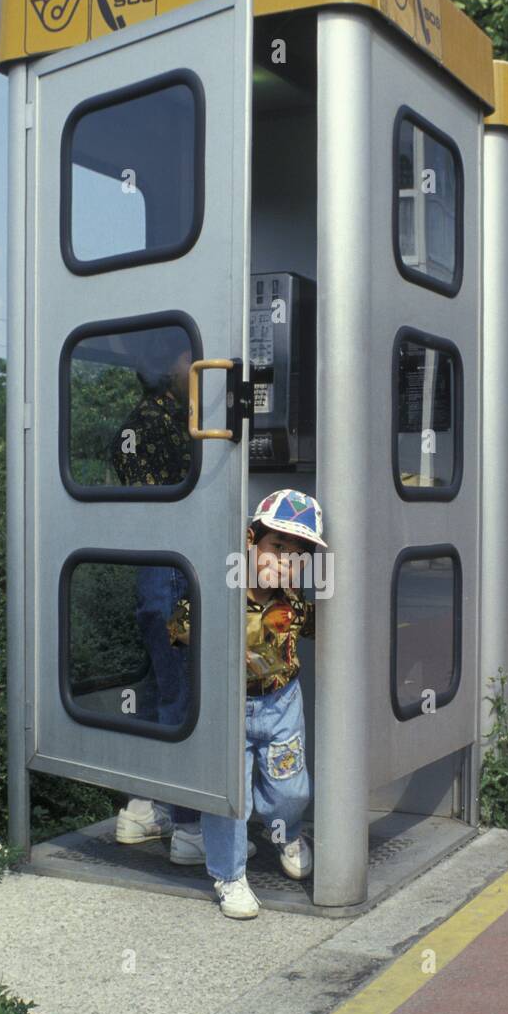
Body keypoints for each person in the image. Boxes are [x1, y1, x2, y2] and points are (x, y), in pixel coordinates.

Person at [166, 488, 326, 919]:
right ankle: (230, 875)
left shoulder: (293, 601)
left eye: (298, 553)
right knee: (231, 797)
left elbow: (319, 626)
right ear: (250, 541)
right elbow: (179, 629)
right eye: (277, 546)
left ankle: (287, 831)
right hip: (230, 704)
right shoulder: (223, 590)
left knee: (290, 787)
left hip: (281, 702)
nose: (285, 560)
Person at [109, 330, 202, 854]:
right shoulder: (166, 426)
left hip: (154, 577)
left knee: (164, 692)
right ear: (169, 368)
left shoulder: (143, 424)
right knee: (185, 700)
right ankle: (190, 827)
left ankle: (148, 807)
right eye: (192, 358)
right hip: (173, 575)